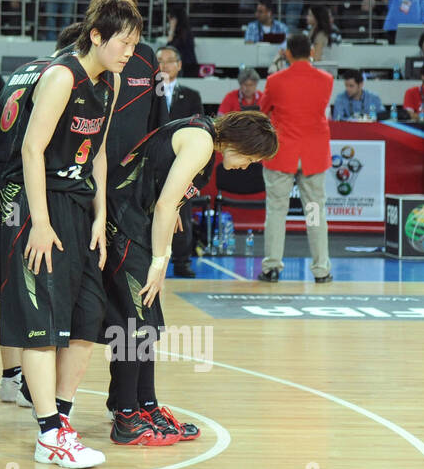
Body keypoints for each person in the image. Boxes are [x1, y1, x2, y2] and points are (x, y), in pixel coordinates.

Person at [0, 0, 143, 468]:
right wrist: (39, 222)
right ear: (96, 36)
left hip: (82, 208)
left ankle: (61, 418)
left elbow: (97, 150)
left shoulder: (112, 82)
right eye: (123, 43)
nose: (129, 53)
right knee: (41, 319)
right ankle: (48, 434)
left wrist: (101, 216)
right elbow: (32, 149)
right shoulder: (62, 76)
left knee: (87, 318)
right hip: (42, 204)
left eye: (134, 44)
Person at [105, 110, 278, 445]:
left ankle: (143, 406)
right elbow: (165, 204)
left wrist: (169, 222)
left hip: (133, 220)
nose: (248, 167)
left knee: (145, 322)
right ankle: (125, 416)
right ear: (242, 143)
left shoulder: (202, 133)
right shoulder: (201, 142)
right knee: (135, 323)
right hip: (124, 223)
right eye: (252, 159)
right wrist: (160, 261)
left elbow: (165, 191)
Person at [0, 21, 90, 411]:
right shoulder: (63, 76)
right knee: (31, 283)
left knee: (6, 285)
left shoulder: (24, 69)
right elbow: (39, 144)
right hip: (17, 182)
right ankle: (30, 386)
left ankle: (10, 377)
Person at [258, 33, 333, 283]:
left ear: (287, 53)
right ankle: (321, 270)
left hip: (282, 153)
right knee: (314, 211)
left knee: (277, 211)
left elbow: (263, 111)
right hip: (313, 155)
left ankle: (272, 267)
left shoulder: (275, 80)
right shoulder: (326, 80)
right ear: (311, 52)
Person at [155, 45, 203, 277]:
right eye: (159, 61)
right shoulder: (148, 92)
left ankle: (182, 261)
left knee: (182, 210)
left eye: (169, 60)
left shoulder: (192, 95)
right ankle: (153, 258)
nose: (164, 65)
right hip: (154, 158)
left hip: (182, 159)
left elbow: (199, 127)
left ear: (179, 64)